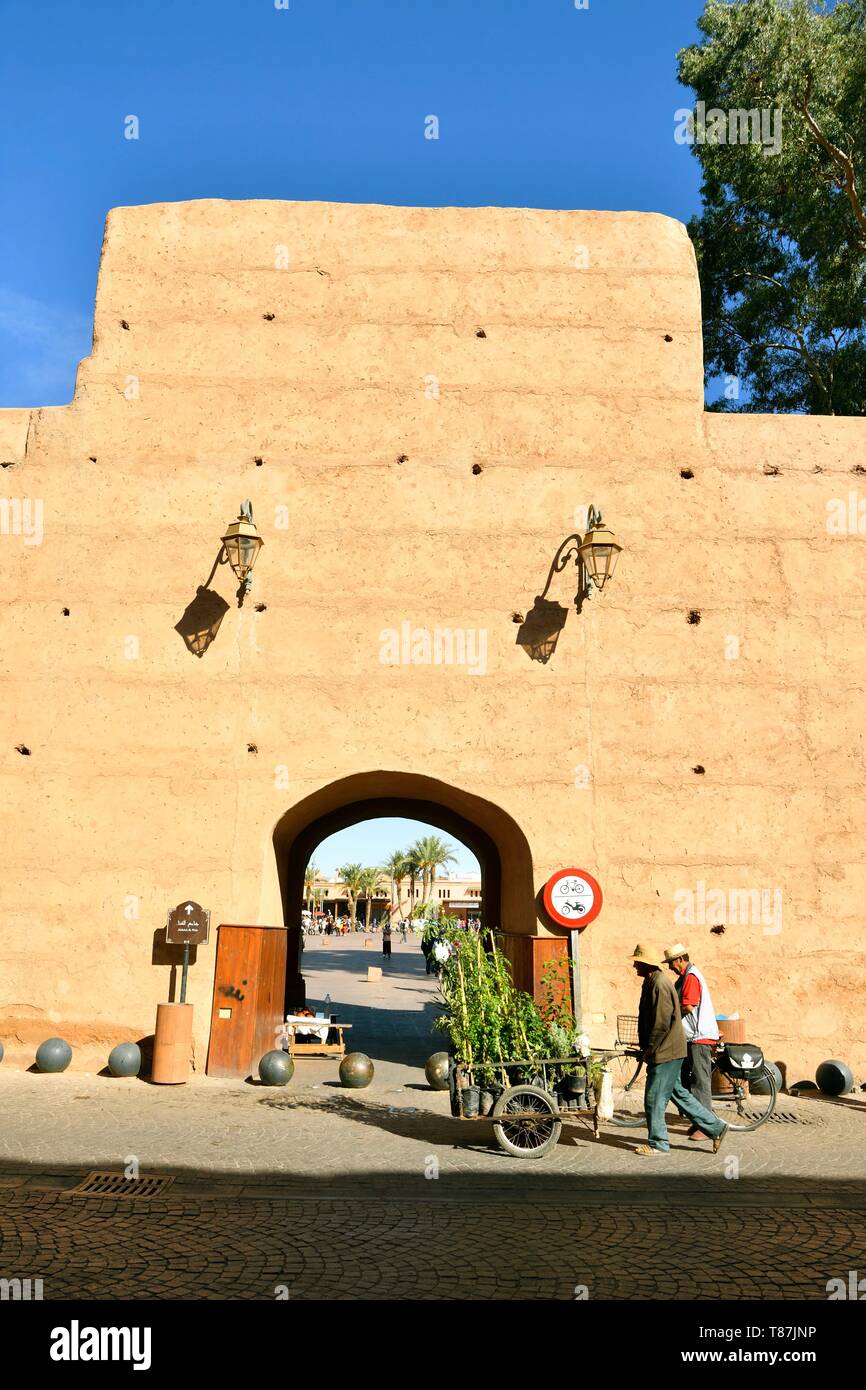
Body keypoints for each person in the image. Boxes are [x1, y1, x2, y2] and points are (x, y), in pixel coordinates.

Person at [630, 944, 728, 1157]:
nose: (634, 965)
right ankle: (715, 1127)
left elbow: (661, 1023)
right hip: (668, 1048)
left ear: (646, 964)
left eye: (637, 962)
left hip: (666, 1050)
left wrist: (650, 1049)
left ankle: (659, 1143)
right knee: (679, 1094)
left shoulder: (659, 984)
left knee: (654, 1097)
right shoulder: (652, 981)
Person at [664, 942, 720, 1141]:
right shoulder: (685, 977)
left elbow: (687, 1006)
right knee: (687, 1080)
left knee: (700, 1083)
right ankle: (698, 1120)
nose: (670, 967)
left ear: (680, 959)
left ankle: (707, 1128)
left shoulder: (691, 977)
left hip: (699, 1037)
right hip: (691, 1037)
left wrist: (670, 1018)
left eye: (671, 963)